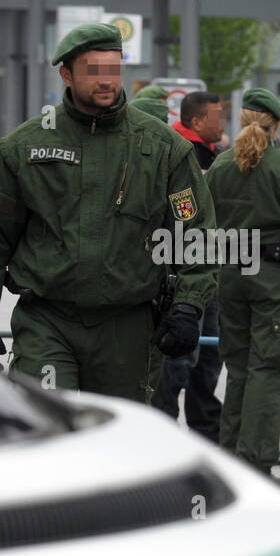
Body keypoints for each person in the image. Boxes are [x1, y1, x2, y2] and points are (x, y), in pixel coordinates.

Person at [0, 23, 215, 401]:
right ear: (66, 74)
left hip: (127, 327)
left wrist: (187, 306)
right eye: (93, 71)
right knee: (48, 433)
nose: (106, 81)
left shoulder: (164, 149)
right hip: (47, 320)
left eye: (113, 70)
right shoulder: (24, 149)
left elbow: (195, 235)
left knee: (119, 446)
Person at [206, 89, 280, 484]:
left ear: (241, 121)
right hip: (274, 278)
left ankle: (231, 460)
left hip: (230, 275)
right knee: (268, 371)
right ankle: (254, 465)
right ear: (276, 126)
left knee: (238, 368)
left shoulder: (220, 166)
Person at [153, 89, 226, 440]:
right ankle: (165, 438)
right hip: (177, 270)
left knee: (208, 358)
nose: (224, 122)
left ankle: (204, 440)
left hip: (208, 270)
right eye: (218, 116)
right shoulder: (176, 155)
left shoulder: (219, 155)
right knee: (178, 360)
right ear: (196, 120)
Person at [174, 91, 222, 170]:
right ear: (196, 123)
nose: (222, 123)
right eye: (216, 117)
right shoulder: (180, 156)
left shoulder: (214, 151)